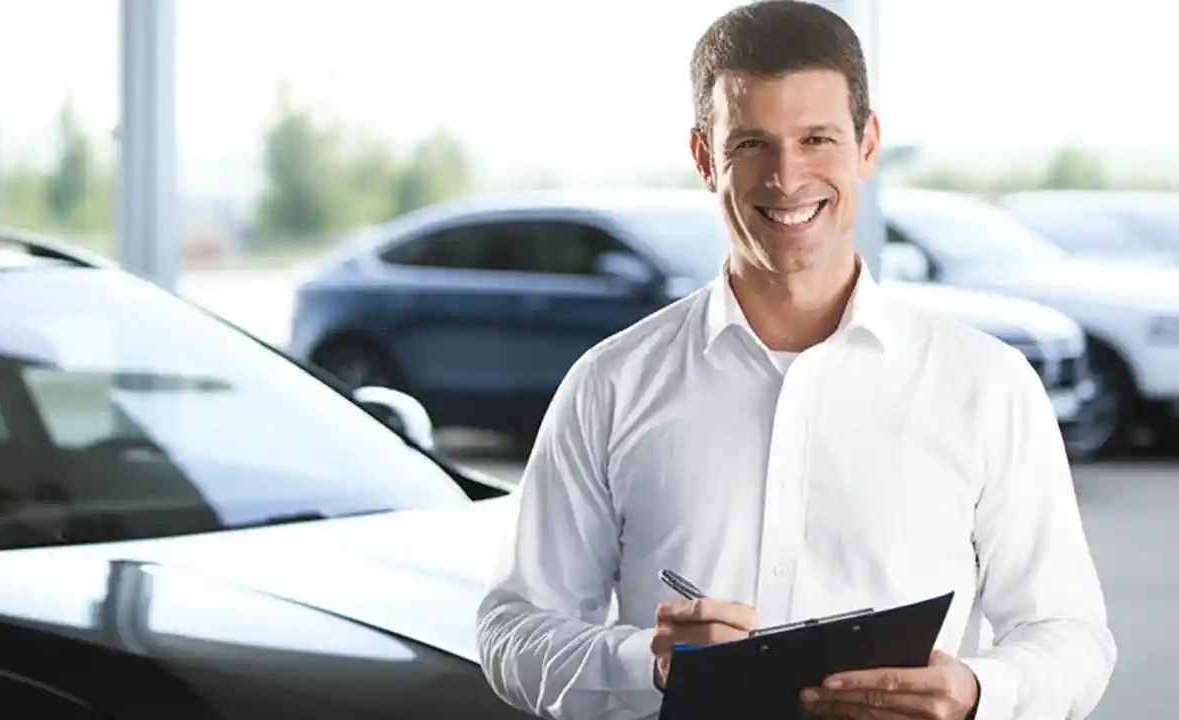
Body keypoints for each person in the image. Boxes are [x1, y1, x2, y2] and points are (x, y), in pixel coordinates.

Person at [474, 1, 1117, 718]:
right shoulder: (611, 384)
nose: (786, 176)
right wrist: (646, 664)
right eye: (751, 143)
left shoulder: (987, 385)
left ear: (867, 145)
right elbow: (512, 633)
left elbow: (1071, 636)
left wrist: (978, 693)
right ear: (702, 157)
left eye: (816, 139)